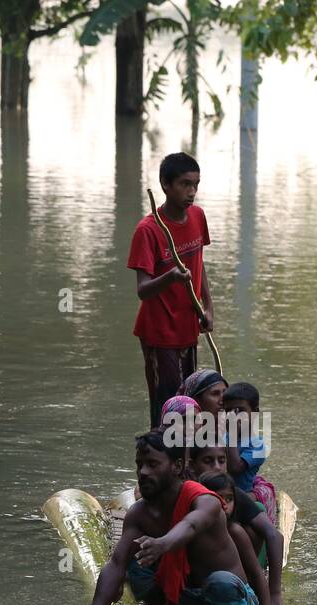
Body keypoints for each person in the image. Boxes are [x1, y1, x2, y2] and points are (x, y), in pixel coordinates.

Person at [54, 431, 257, 605]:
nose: (143, 472)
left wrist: (162, 543)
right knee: (134, 560)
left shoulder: (205, 501)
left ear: (177, 466)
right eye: (139, 465)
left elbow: (190, 525)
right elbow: (116, 564)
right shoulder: (140, 513)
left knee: (220, 582)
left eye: (152, 464)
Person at [128, 152, 213, 429]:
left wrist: (208, 308)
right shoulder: (149, 230)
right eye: (184, 184)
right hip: (159, 331)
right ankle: (160, 462)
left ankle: (184, 463)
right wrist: (171, 277)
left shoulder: (198, 217)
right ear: (165, 185)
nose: (192, 192)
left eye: (196, 185)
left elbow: (199, 265)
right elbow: (143, 290)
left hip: (187, 326)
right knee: (166, 405)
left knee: (188, 402)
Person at [187, 444, 284, 605]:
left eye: (221, 461)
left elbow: (274, 535)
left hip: (233, 575)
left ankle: (248, 592)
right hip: (199, 578)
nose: (217, 467)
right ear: (192, 467)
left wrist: (275, 592)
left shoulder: (232, 502)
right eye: (208, 461)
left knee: (245, 525)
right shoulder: (188, 497)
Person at [221, 381, 276, 524]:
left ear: (255, 413)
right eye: (229, 411)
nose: (234, 416)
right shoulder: (223, 437)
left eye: (240, 410)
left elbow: (234, 468)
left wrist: (232, 434)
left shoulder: (258, 446)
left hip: (242, 500)